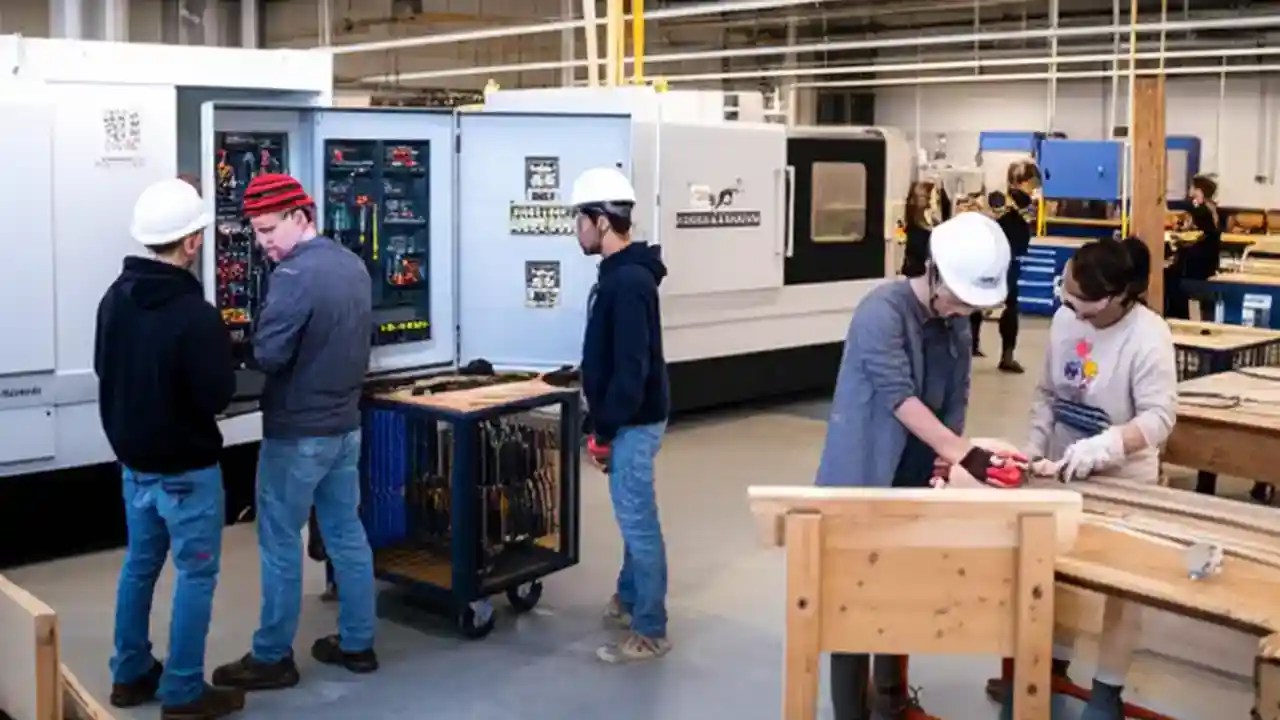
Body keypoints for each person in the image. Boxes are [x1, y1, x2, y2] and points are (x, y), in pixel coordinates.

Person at [816, 211, 1026, 720]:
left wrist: (942, 461)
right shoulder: (880, 312)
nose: (960, 311)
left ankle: (889, 700)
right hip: (860, 476)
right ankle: (850, 713)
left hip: (914, 477)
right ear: (931, 271)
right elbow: (900, 398)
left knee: (897, 595)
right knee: (851, 607)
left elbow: (956, 397)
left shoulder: (953, 320)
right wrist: (966, 455)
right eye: (956, 297)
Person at [997, 236, 1177, 720]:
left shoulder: (1149, 336)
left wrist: (1108, 445)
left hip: (1123, 477)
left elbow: (1160, 418)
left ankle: (1107, 690)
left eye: (1084, 300)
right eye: (1067, 291)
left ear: (1120, 296)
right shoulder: (1063, 319)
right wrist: (1034, 446)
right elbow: (1046, 392)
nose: (1071, 306)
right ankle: (1050, 667)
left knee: (1121, 589)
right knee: (1054, 573)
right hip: (1061, 466)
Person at [211, 173, 379, 690]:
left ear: (300, 217)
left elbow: (269, 354)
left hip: (297, 434)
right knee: (347, 533)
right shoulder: (351, 265)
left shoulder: (292, 277)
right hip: (345, 428)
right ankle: (357, 643)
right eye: (256, 232)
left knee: (280, 539)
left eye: (268, 230)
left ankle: (271, 656)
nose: (262, 243)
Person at [97, 178, 244, 719]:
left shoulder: (114, 299)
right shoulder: (195, 315)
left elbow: (103, 370)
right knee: (196, 575)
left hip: (134, 467)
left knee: (139, 567)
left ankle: (129, 674)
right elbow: (218, 396)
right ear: (191, 242)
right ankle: (183, 693)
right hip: (187, 471)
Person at [571, 167, 673, 664]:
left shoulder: (628, 282)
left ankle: (651, 628)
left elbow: (632, 367)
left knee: (638, 522)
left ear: (602, 222)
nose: (577, 230)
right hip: (628, 416)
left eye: (580, 220)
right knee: (632, 516)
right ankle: (630, 596)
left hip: (632, 420)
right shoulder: (621, 275)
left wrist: (604, 429)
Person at [901, 181, 984, 356]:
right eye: (933, 198)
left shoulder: (932, 224)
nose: (936, 201)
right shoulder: (918, 229)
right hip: (920, 285)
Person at [990, 159, 1043, 374]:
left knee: (1011, 305)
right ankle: (982, 347)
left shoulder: (1023, 202)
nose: (1034, 188)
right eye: (1031, 183)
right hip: (1001, 258)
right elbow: (996, 215)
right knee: (1003, 304)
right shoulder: (1002, 199)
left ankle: (1007, 354)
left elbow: (1028, 217)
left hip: (1013, 256)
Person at [1165, 174, 1222, 320]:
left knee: (1170, 280)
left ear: (1199, 191)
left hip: (1199, 271)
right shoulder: (1209, 209)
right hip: (1203, 265)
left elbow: (1191, 207)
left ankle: (1176, 319)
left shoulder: (1204, 210)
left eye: (1192, 189)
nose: (1189, 192)